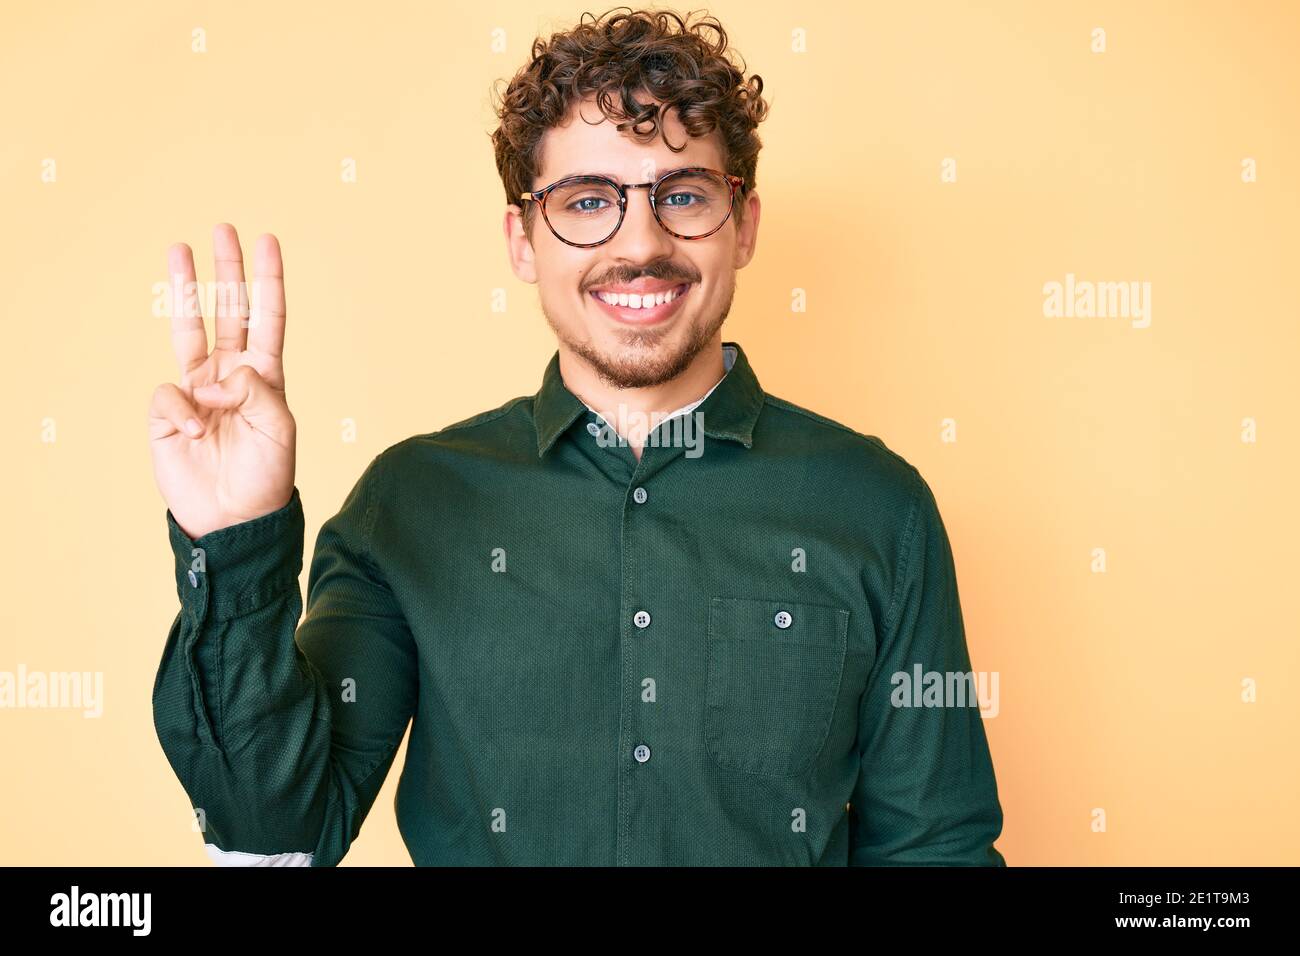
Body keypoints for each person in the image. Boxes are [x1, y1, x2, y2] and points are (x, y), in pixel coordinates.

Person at [148, 6, 1005, 866]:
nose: (641, 242)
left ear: (743, 225)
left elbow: (938, 848)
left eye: (684, 196)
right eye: (588, 200)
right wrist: (234, 545)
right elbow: (278, 837)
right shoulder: (409, 503)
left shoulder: (877, 507)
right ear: (522, 240)